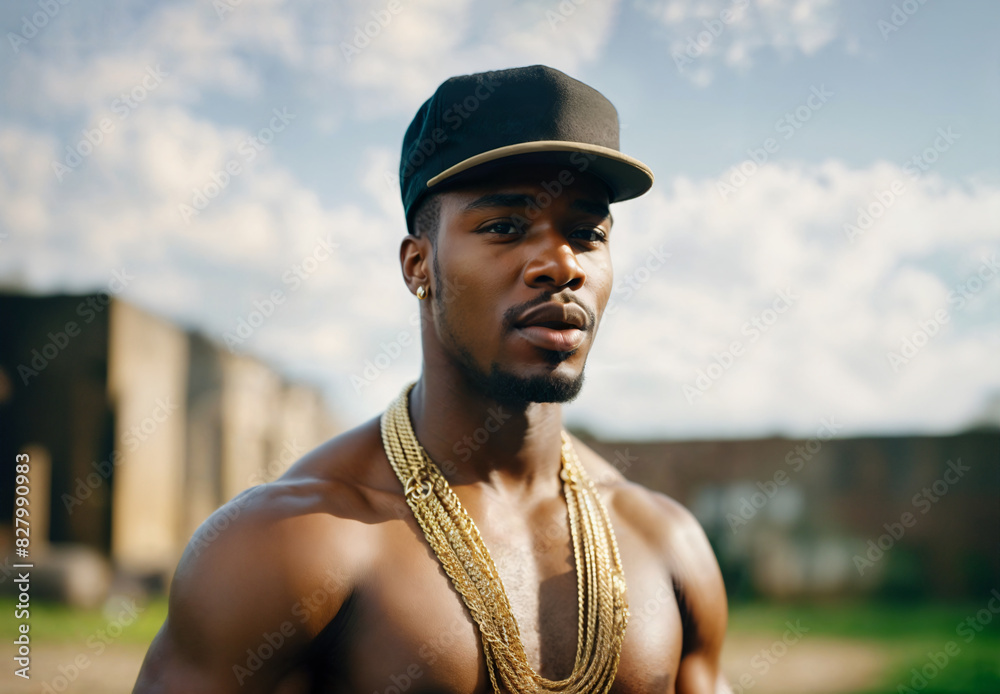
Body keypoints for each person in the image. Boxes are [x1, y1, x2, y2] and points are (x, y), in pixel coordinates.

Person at [133, 64, 731, 694]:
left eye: (587, 234)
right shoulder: (287, 544)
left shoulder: (665, 542)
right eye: (504, 227)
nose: (560, 264)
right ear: (418, 264)